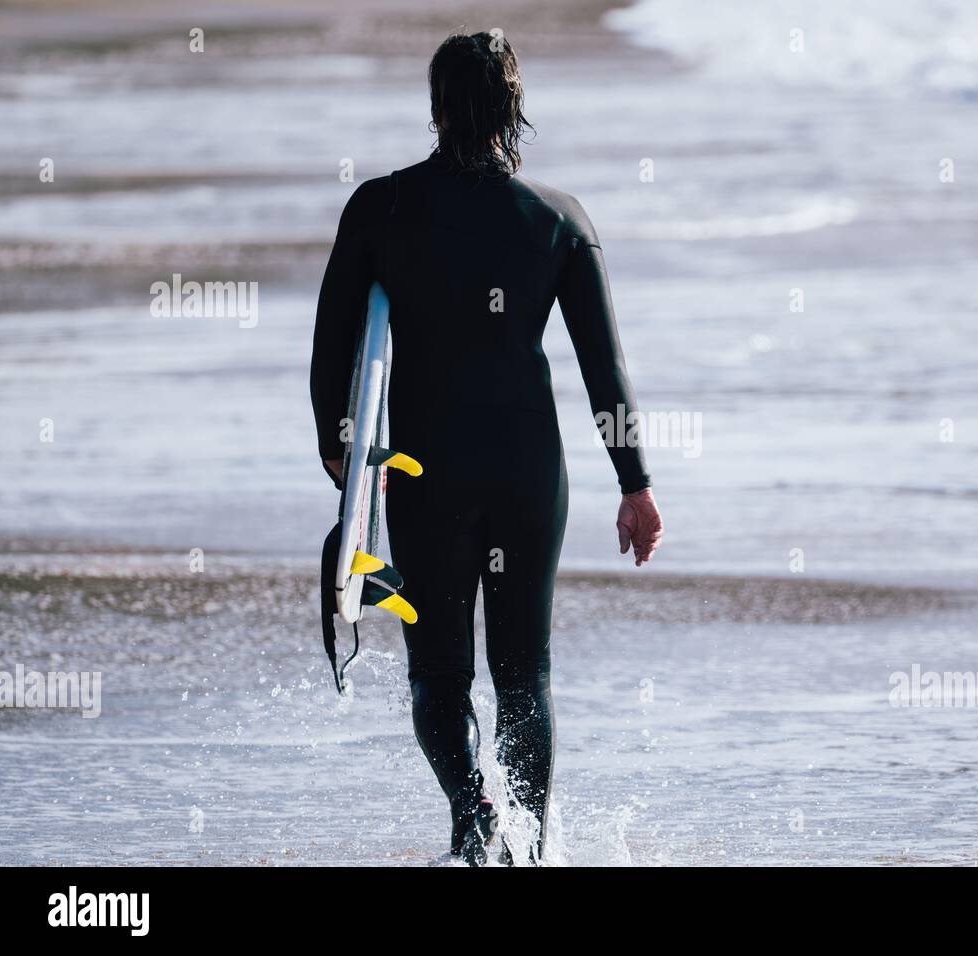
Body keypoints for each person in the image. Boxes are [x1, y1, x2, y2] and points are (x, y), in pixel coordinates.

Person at [309, 30, 663, 865]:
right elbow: (603, 368)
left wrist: (342, 459)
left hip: (424, 475)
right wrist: (635, 482)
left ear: (435, 109)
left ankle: (474, 823)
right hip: (530, 473)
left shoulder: (380, 208)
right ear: (515, 111)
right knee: (524, 675)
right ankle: (532, 852)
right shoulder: (559, 219)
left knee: (437, 672)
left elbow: (333, 352)